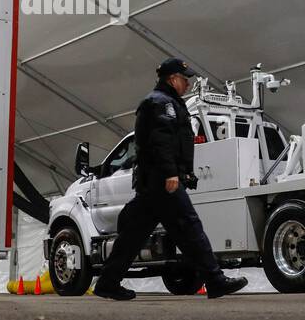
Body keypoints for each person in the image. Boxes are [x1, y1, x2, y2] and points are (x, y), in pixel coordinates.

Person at [93, 58, 249, 301]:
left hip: (155, 183)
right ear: (172, 78)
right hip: (161, 181)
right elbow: (159, 141)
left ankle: (107, 282)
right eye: (185, 79)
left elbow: (174, 142)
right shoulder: (159, 103)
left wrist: (184, 172)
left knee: (134, 234)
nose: (188, 84)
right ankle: (215, 280)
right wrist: (171, 173)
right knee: (190, 227)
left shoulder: (169, 102)